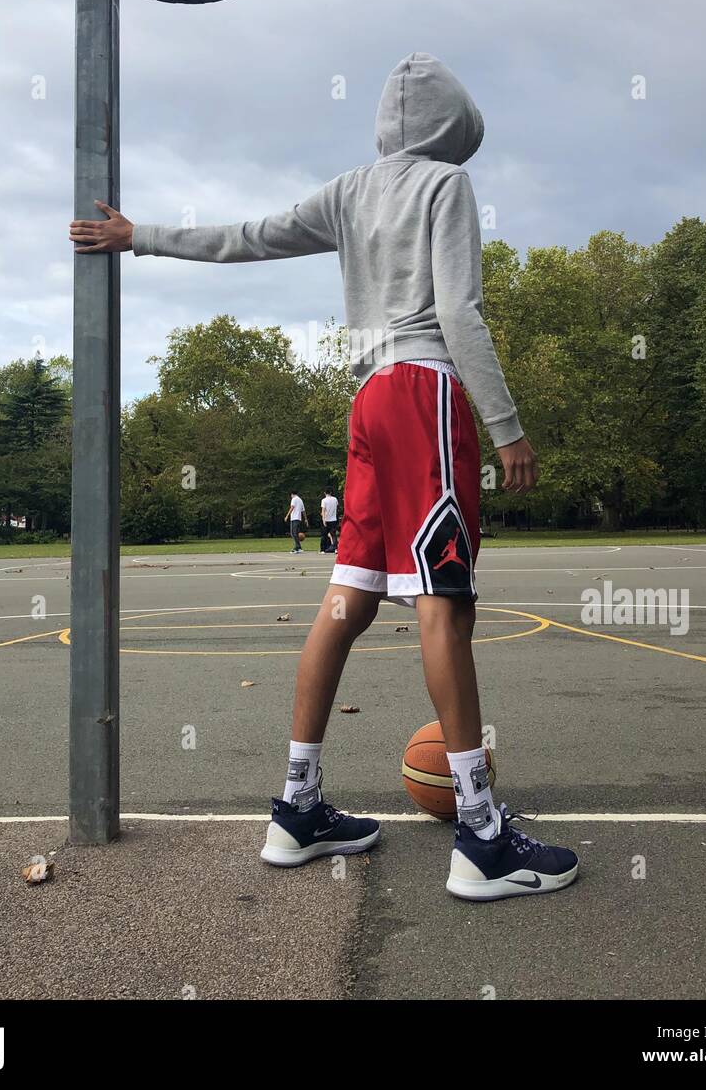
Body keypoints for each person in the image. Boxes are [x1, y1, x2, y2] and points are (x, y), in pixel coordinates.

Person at [70, 51, 578, 902]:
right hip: (425, 396)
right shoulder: (445, 187)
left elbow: (245, 237)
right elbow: (459, 311)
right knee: (443, 605)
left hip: (369, 401)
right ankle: (484, 841)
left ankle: (297, 810)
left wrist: (139, 237)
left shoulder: (349, 191)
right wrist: (506, 427)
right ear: (454, 129)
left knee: (346, 601)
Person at [320, 489, 339, 553]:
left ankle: (323, 549)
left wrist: (323, 520)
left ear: (324, 493)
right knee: (333, 535)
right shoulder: (335, 499)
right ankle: (336, 548)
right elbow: (336, 507)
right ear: (331, 492)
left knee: (324, 535)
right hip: (333, 519)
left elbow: (323, 510)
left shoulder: (324, 500)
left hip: (326, 519)